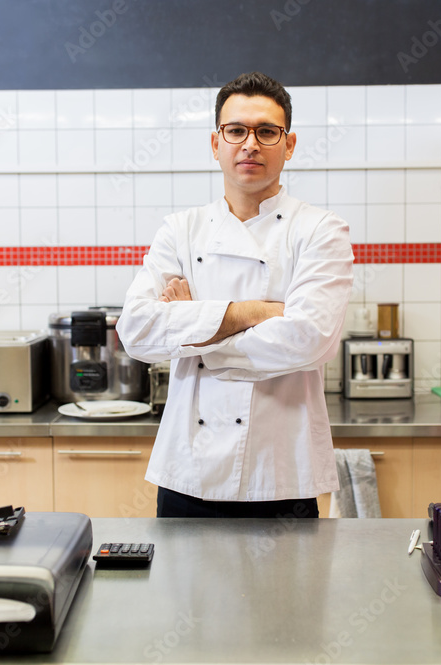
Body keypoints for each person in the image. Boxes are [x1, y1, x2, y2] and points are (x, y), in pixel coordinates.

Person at [116, 72, 354, 518]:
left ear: (289, 144)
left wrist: (193, 331)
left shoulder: (321, 231)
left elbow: (308, 338)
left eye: (267, 131)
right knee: (183, 591)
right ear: (215, 143)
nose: (250, 144)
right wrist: (255, 313)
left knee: (287, 592)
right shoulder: (180, 230)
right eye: (236, 130)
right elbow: (135, 331)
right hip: (187, 471)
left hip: (280, 472)